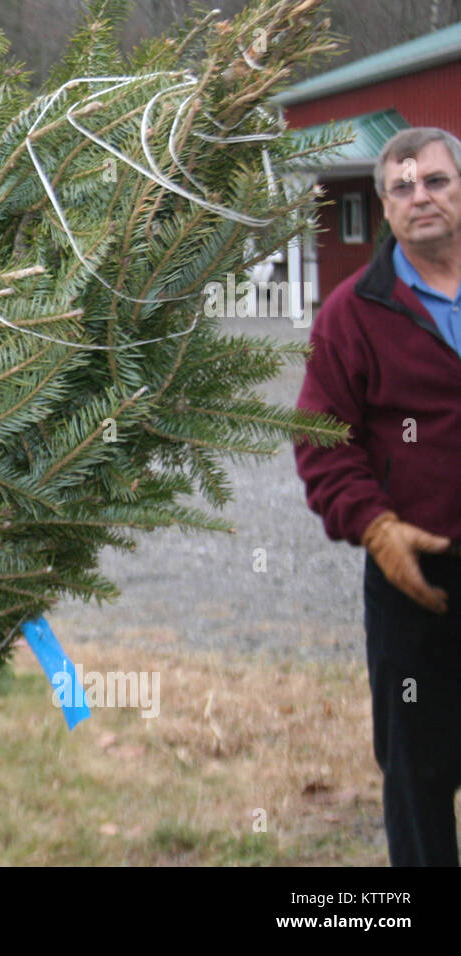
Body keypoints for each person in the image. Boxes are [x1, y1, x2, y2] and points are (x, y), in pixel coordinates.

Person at [294, 126, 461, 866]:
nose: (420, 196)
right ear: (384, 208)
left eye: (436, 180)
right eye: (403, 186)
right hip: (416, 578)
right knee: (418, 773)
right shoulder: (352, 314)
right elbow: (321, 438)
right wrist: (374, 525)